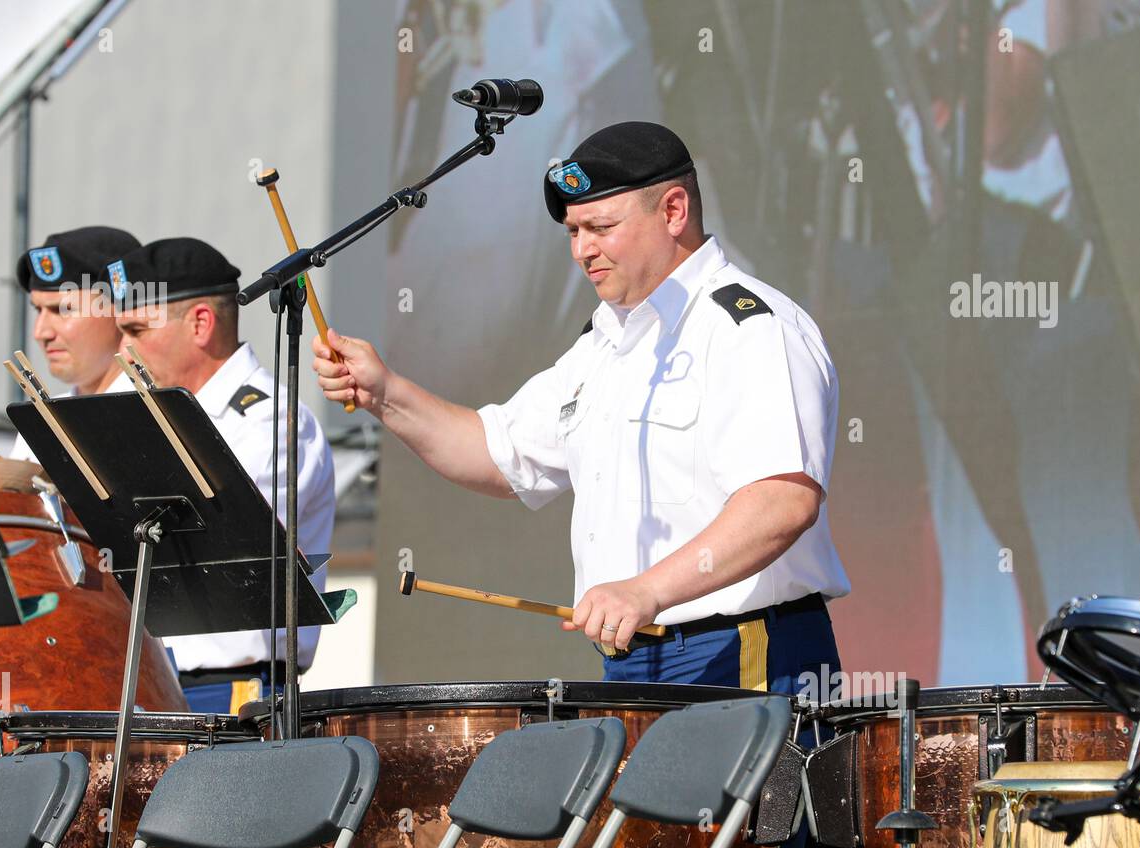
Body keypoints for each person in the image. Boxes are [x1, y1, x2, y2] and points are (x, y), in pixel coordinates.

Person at [314, 121, 849, 696]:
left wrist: (647, 590)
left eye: (601, 227)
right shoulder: (604, 346)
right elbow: (499, 454)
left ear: (673, 211)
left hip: (742, 651)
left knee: (754, 793)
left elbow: (782, 500)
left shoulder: (749, 327)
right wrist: (384, 393)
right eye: (572, 232)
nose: (582, 250)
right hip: (630, 659)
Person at [107, 237, 336, 713]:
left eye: (135, 330)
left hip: (232, 696)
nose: (123, 350)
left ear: (200, 324)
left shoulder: (272, 424)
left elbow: (206, 541)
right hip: (151, 684)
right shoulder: (160, 415)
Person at [10, 226, 141, 461]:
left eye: (63, 309)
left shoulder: (158, 419)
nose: (40, 333)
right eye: (38, 310)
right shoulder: (40, 426)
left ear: (122, 312)